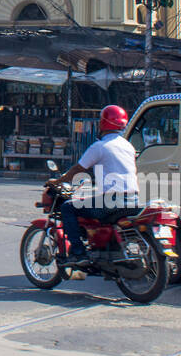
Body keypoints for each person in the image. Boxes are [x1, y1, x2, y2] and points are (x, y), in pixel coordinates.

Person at [50, 104, 139, 265]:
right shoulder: (128, 146)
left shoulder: (100, 146)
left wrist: (59, 181)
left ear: (102, 123)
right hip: (133, 199)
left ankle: (78, 253)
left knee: (68, 207)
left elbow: (79, 168)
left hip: (111, 201)